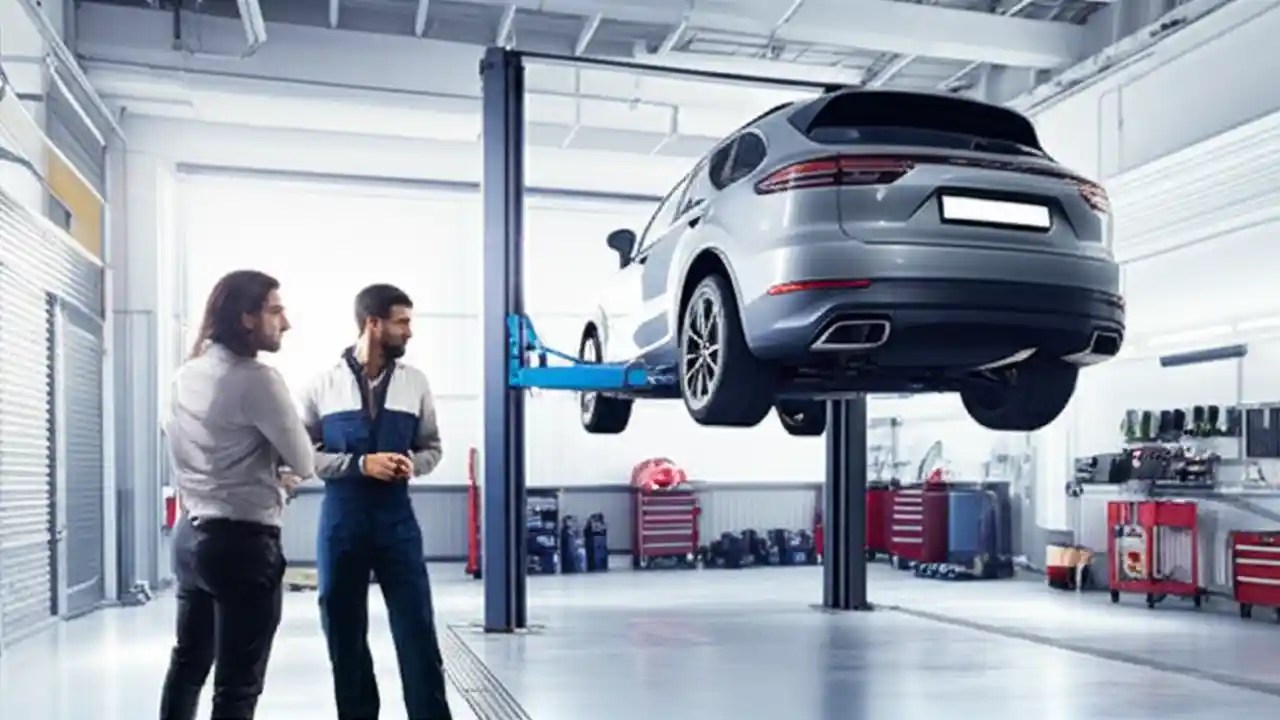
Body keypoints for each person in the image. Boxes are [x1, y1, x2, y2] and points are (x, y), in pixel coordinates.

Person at [158, 270, 316, 720]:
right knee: (237, 687)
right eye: (275, 310)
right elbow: (303, 461)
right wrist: (277, 472)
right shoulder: (258, 379)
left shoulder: (186, 374)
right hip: (243, 546)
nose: (285, 323)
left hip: (190, 538)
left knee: (187, 665)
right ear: (246, 318)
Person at [299, 283, 452, 720]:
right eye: (402, 321)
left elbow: (432, 447)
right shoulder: (321, 386)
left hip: (396, 521)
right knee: (343, 629)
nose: (410, 332)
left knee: (416, 629)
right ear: (373, 323)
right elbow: (305, 455)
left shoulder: (415, 383)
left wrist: (410, 463)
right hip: (342, 520)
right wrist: (361, 464)